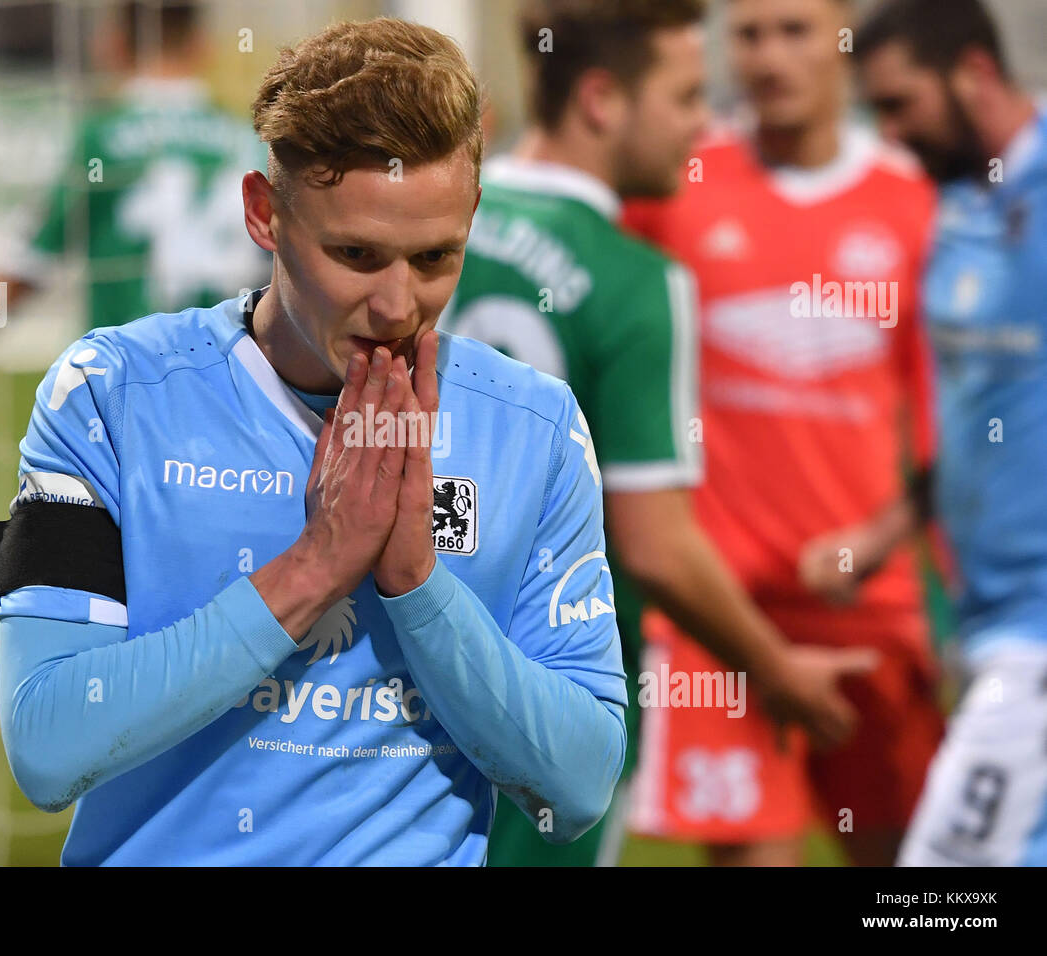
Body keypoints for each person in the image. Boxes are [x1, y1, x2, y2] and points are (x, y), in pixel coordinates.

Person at [0, 17, 628, 866]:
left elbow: (578, 787)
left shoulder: (534, 430)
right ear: (263, 213)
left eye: (435, 257)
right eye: (355, 254)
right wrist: (316, 566)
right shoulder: (108, 396)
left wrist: (415, 584)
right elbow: (49, 745)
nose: (398, 304)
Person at [442, 0, 873, 868]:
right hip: (551, 689)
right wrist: (779, 674)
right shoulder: (634, 279)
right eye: (684, 98)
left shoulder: (427, 224)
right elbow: (656, 548)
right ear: (602, 101)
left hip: (398, 654)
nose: (702, 126)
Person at [620, 0, 943, 866]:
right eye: (750, 34)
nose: (769, 58)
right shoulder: (681, 184)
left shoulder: (914, 202)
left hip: (864, 602)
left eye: (795, 31)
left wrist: (880, 542)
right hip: (721, 610)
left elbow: (950, 429)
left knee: (913, 881)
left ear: (843, 38)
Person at [855, 0, 1047, 867]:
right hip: (980, 616)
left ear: (972, 73)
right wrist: (886, 534)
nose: (893, 135)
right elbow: (981, 420)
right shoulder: (958, 207)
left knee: (940, 883)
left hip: (1036, 640)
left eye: (902, 105)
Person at [0, 0, 266, 415]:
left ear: (113, 44)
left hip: (129, 385)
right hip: (228, 389)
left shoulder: (104, 138)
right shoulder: (246, 140)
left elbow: (21, 272)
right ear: (203, 46)